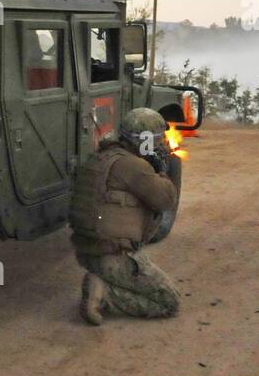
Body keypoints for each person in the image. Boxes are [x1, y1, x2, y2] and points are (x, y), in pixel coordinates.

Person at [68, 107, 180, 325]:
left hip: (88, 251)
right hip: (112, 257)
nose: (160, 144)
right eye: (157, 140)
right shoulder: (134, 166)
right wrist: (161, 169)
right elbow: (166, 199)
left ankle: (102, 283)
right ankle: (104, 295)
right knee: (169, 300)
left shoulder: (102, 157)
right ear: (146, 141)